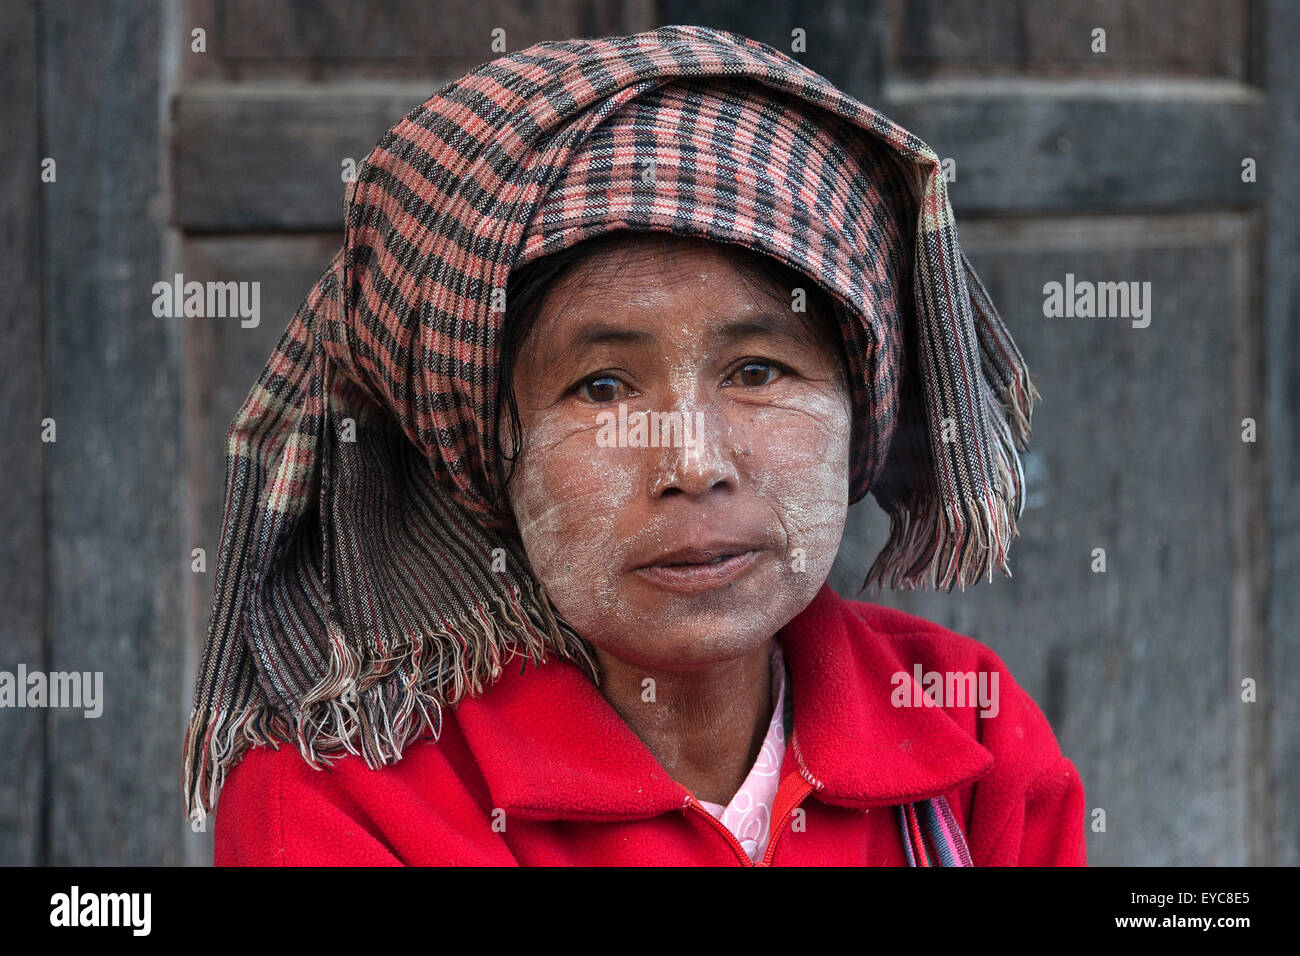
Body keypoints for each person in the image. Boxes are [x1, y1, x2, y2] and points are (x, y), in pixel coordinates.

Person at [184, 24, 1085, 866]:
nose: (694, 463)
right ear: (484, 440)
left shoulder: (964, 724)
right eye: (603, 388)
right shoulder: (344, 799)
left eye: (760, 371)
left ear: (859, 401)